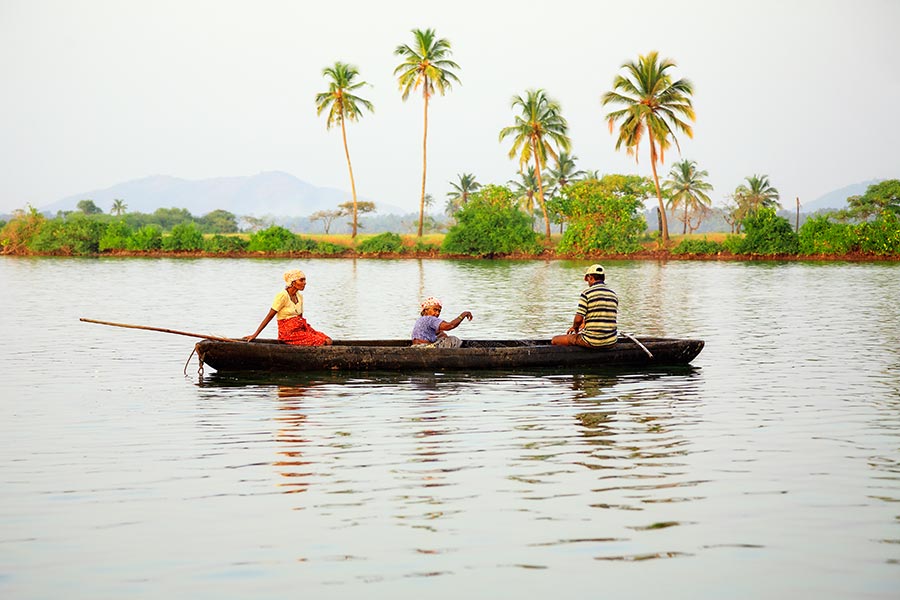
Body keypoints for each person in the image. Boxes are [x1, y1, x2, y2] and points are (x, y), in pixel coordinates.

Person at [243, 269, 332, 346]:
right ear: (293, 282)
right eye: (301, 280)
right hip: (288, 333)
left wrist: (307, 333)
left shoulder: (299, 296)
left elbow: (300, 318)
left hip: (299, 330)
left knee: (328, 340)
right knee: (321, 342)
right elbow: (269, 316)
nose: (305, 283)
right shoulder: (282, 296)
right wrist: (255, 335)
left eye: (305, 280)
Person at [551, 264, 618, 348]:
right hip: (611, 341)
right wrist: (584, 323)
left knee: (555, 340)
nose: (588, 282)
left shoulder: (587, 293)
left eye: (587, 279)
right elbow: (602, 316)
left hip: (592, 341)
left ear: (590, 277)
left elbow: (578, 319)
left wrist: (575, 328)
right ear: (603, 278)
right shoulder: (613, 294)